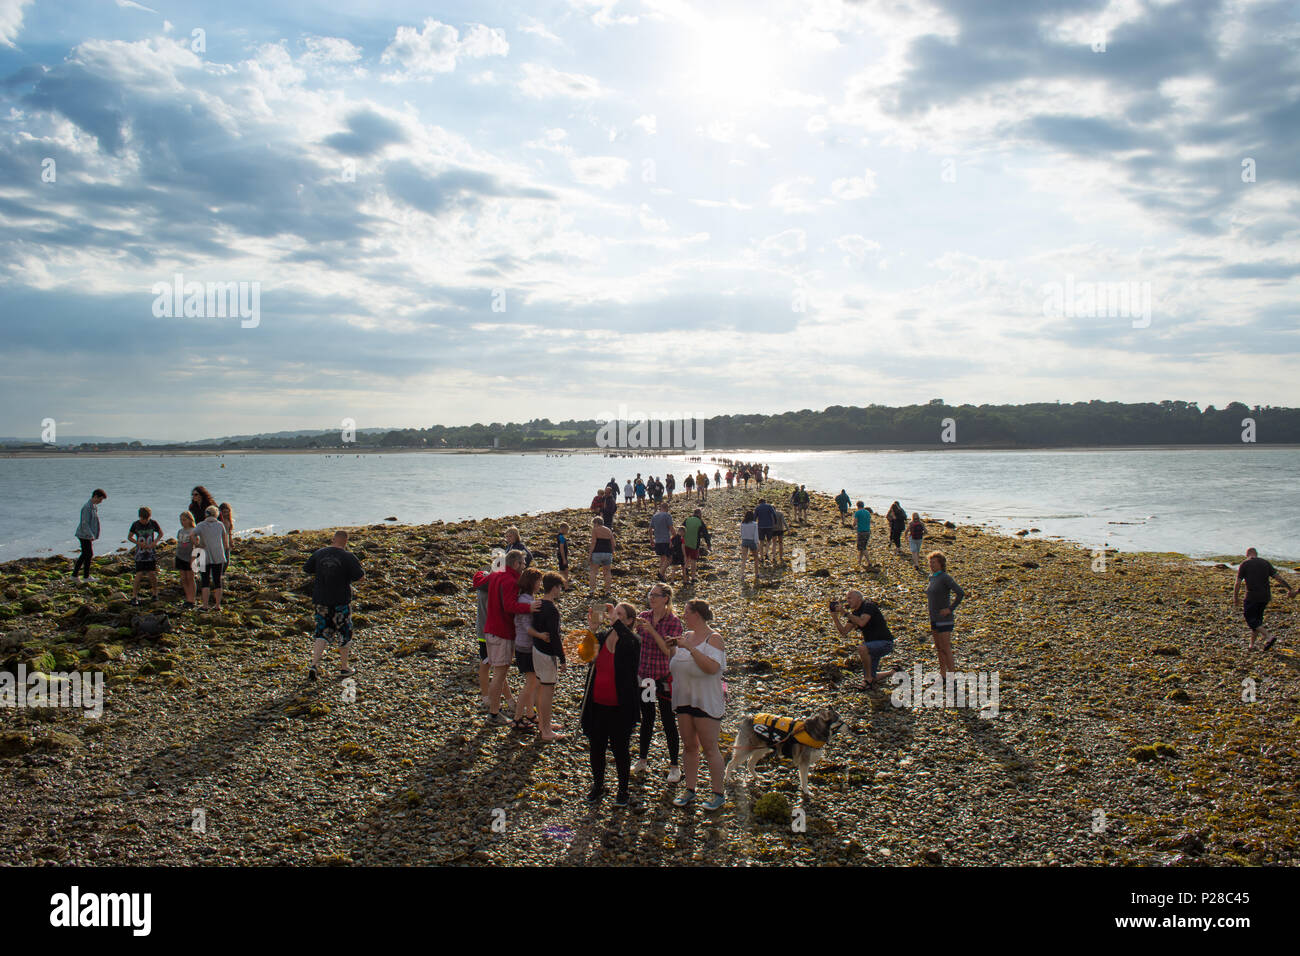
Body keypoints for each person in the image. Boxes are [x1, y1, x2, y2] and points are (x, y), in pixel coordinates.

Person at [580, 601, 642, 806]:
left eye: (620, 614)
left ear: (629, 620)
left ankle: (623, 789)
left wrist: (615, 622)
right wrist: (592, 628)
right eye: (614, 614)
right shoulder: (603, 636)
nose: (614, 617)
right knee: (596, 746)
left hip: (620, 705)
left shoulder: (631, 640)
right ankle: (598, 785)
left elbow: (632, 642)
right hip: (597, 701)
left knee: (620, 748)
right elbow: (584, 654)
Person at [671, 599, 726, 811]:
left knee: (710, 747)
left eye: (687, 612)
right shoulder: (685, 636)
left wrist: (690, 649)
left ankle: (717, 793)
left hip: (706, 700)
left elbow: (712, 668)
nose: (684, 616)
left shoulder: (714, 639)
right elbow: (675, 662)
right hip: (684, 698)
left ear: (698, 614)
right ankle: (690, 789)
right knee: (689, 745)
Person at [635, 584, 683, 782]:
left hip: (663, 677)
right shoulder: (643, 615)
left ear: (666, 599)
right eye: (650, 595)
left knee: (668, 720)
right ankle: (642, 759)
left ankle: (674, 765)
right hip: (645, 677)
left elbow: (668, 651)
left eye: (656, 595)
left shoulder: (673, 622)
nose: (651, 598)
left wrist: (652, 631)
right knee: (647, 717)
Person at [303, 530, 365, 681]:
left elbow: (307, 569)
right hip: (340, 601)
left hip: (321, 599)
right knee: (344, 632)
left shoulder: (319, 553)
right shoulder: (348, 557)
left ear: (333, 539)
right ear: (346, 541)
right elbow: (361, 577)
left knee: (322, 631)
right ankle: (344, 668)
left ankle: (314, 665)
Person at [485, 550, 531, 724]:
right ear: (515, 564)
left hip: (490, 628)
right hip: (502, 631)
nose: (525, 566)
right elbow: (510, 606)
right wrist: (530, 608)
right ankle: (494, 714)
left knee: (499, 671)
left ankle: (497, 708)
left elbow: (481, 581)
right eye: (523, 563)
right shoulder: (511, 580)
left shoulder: (497, 575)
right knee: (500, 673)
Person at [527, 573, 567, 741]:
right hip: (547, 653)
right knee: (547, 691)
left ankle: (544, 724)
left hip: (536, 649)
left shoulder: (537, 604)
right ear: (554, 587)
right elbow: (554, 636)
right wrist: (562, 658)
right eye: (560, 587)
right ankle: (546, 731)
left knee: (541, 687)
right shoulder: (552, 609)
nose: (560, 591)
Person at [831, 589, 897, 689]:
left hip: (885, 643)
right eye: (846, 599)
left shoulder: (868, 606)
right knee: (873, 676)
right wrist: (835, 617)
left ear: (859, 598)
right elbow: (844, 632)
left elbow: (862, 622)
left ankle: (867, 680)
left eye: (850, 598)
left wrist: (844, 613)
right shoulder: (854, 613)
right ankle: (893, 672)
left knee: (862, 648)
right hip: (871, 647)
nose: (847, 601)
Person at [1234, 547, 1296, 651]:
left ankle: (1269, 636)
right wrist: (1290, 589)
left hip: (1252, 597)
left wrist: (1235, 597)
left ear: (1247, 554)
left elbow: (1238, 583)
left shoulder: (1245, 564)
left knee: (1251, 620)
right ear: (1256, 554)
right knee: (1257, 621)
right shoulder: (1265, 563)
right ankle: (1251, 645)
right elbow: (1278, 578)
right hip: (1265, 597)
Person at [512, 568, 543, 731]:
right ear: (532, 582)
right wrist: (541, 636)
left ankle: (530, 714)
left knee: (532, 682)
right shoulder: (525, 600)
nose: (540, 584)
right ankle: (517, 718)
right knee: (531, 682)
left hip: (524, 645)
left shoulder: (528, 597)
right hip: (525, 647)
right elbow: (526, 626)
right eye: (538, 581)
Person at [926, 551, 965, 683]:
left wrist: (950, 608)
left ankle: (952, 675)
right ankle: (943, 673)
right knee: (938, 647)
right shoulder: (932, 578)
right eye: (930, 562)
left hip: (944, 619)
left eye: (934, 562)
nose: (931, 564)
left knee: (946, 647)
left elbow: (960, 593)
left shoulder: (945, 577)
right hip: (934, 618)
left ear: (941, 564)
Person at [195, 505, 230, 611]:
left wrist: (197, 544)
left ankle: (205, 605)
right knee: (217, 580)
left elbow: (192, 534)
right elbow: (225, 541)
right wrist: (224, 550)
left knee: (205, 580)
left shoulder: (201, 525)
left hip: (203, 555)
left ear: (206, 514)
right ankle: (218, 605)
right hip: (218, 555)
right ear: (217, 514)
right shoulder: (220, 525)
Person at [128, 507, 163, 605]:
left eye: (147, 519)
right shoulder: (135, 524)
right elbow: (129, 537)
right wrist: (138, 543)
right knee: (139, 574)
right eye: (143, 519)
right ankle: (134, 596)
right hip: (140, 554)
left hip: (150, 554)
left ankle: (155, 593)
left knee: (152, 573)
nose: (145, 521)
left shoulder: (153, 523)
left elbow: (160, 533)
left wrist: (155, 542)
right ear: (140, 517)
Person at [72, 489, 106, 582]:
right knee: (88, 554)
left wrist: (95, 534)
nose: (100, 501)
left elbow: (94, 522)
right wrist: (90, 535)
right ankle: (82, 576)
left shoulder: (93, 507)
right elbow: (84, 523)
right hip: (83, 534)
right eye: (100, 499)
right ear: (95, 496)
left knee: (86, 554)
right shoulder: (87, 507)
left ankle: (79, 576)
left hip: (87, 535)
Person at [175, 512, 198, 608]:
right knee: (183, 578)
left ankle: (192, 599)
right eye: (181, 520)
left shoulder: (193, 531)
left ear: (190, 520)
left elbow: (196, 545)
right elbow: (178, 544)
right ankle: (187, 598)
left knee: (190, 578)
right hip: (180, 556)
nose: (182, 522)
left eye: (184, 520)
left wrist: (193, 558)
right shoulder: (180, 531)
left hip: (190, 557)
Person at [589, 516, 616, 593]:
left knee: (593, 571)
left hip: (597, 552)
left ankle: (592, 590)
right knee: (607, 572)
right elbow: (613, 544)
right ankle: (608, 590)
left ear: (596, 523)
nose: (593, 526)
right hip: (608, 553)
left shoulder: (595, 530)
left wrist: (590, 554)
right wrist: (612, 552)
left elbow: (593, 542)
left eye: (594, 524)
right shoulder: (609, 530)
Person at [650, 502, 674, 581]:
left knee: (662, 558)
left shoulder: (655, 516)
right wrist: (676, 536)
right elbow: (671, 528)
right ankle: (660, 573)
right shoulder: (667, 516)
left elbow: (650, 529)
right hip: (665, 540)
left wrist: (651, 539)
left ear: (660, 508)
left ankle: (662, 576)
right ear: (666, 508)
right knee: (670, 558)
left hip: (657, 540)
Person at [682, 508, 706, 586]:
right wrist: (708, 543)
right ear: (699, 514)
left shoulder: (687, 520)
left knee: (686, 560)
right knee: (693, 561)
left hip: (685, 543)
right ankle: (693, 578)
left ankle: (685, 578)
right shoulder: (700, 521)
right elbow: (705, 533)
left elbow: (681, 529)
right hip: (694, 544)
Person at [739, 510, 760, 583]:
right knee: (756, 558)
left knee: (744, 559)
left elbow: (741, 533)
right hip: (752, 541)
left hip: (744, 540)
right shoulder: (754, 524)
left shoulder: (742, 524)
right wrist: (757, 543)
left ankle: (741, 574)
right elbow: (756, 535)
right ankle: (756, 573)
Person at [754, 498, 777, 565]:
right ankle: (766, 552)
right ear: (765, 501)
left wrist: (754, 524)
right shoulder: (769, 506)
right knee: (769, 540)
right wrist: (775, 522)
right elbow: (774, 514)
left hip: (761, 526)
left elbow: (755, 517)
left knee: (761, 541)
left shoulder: (757, 508)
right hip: (769, 525)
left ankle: (761, 557)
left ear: (759, 502)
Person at [853, 501, 872, 570]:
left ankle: (869, 562)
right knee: (862, 547)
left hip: (861, 531)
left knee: (862, 547)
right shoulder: (867, 512)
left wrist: (854, 526)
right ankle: (859, 562)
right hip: (868, 531)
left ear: (857, 506)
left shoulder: (857, 513)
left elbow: (854, 522)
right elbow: (869, 521)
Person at [555, 522, 571, 587]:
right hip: (562, 556)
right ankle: (565, 586)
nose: (567, 532)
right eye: (567, 530)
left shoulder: (559, 536)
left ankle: (564, 585)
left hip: (562, 555)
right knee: (564, 571)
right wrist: (564, 559)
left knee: (563, 571)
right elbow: (561, 548)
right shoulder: (561, 537)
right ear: (563, 529)